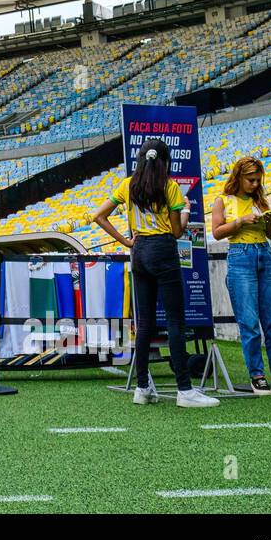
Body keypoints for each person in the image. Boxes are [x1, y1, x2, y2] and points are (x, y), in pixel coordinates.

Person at [93, 138, 219, 408]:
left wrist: (125, 242)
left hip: (139, 252)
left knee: (146, 322)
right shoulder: (170, 187)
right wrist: (185, 210)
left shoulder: (128, 185)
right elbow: (177, 231)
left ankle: (142, 387)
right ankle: (184, 390)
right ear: (165, 161)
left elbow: (99, 216)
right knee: (175, 321)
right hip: (163, 248)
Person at [211, 157, 271, 396]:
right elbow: (217, 232)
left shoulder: (260, 201)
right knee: (249, 321)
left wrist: (270, 222)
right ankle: (257, 374)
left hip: (265, 253)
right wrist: (241, 221)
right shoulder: (222, 200)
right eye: (250, 180)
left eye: (257, 180)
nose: (255, 184)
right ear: (239, 177)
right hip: (240, 255)